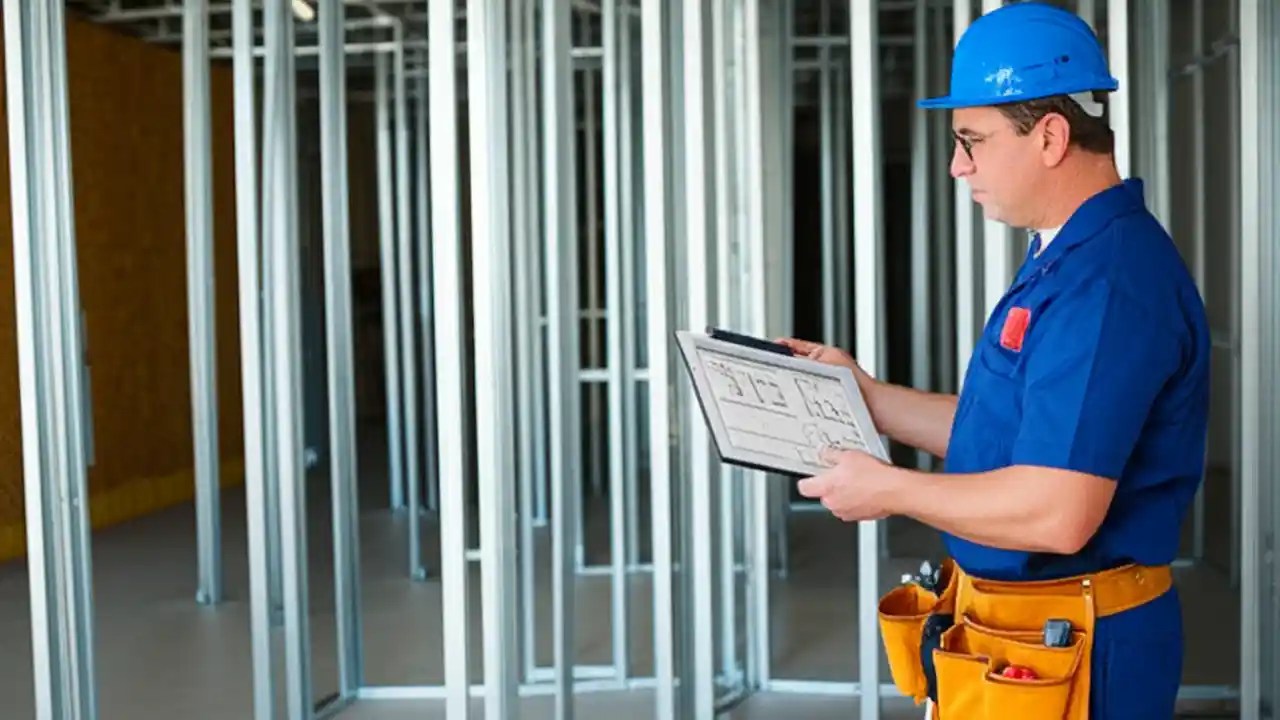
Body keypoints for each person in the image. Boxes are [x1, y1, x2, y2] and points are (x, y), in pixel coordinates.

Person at [779, 3, 1210, 719]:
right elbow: (1009, 437)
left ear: (1050, 137)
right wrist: (865, 395)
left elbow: (1056, 511)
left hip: (1077, 652)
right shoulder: (1063, 257)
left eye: (972, 141)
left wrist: (891, 490)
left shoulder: (1108, 284)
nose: (957, 165)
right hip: (1026, 641)